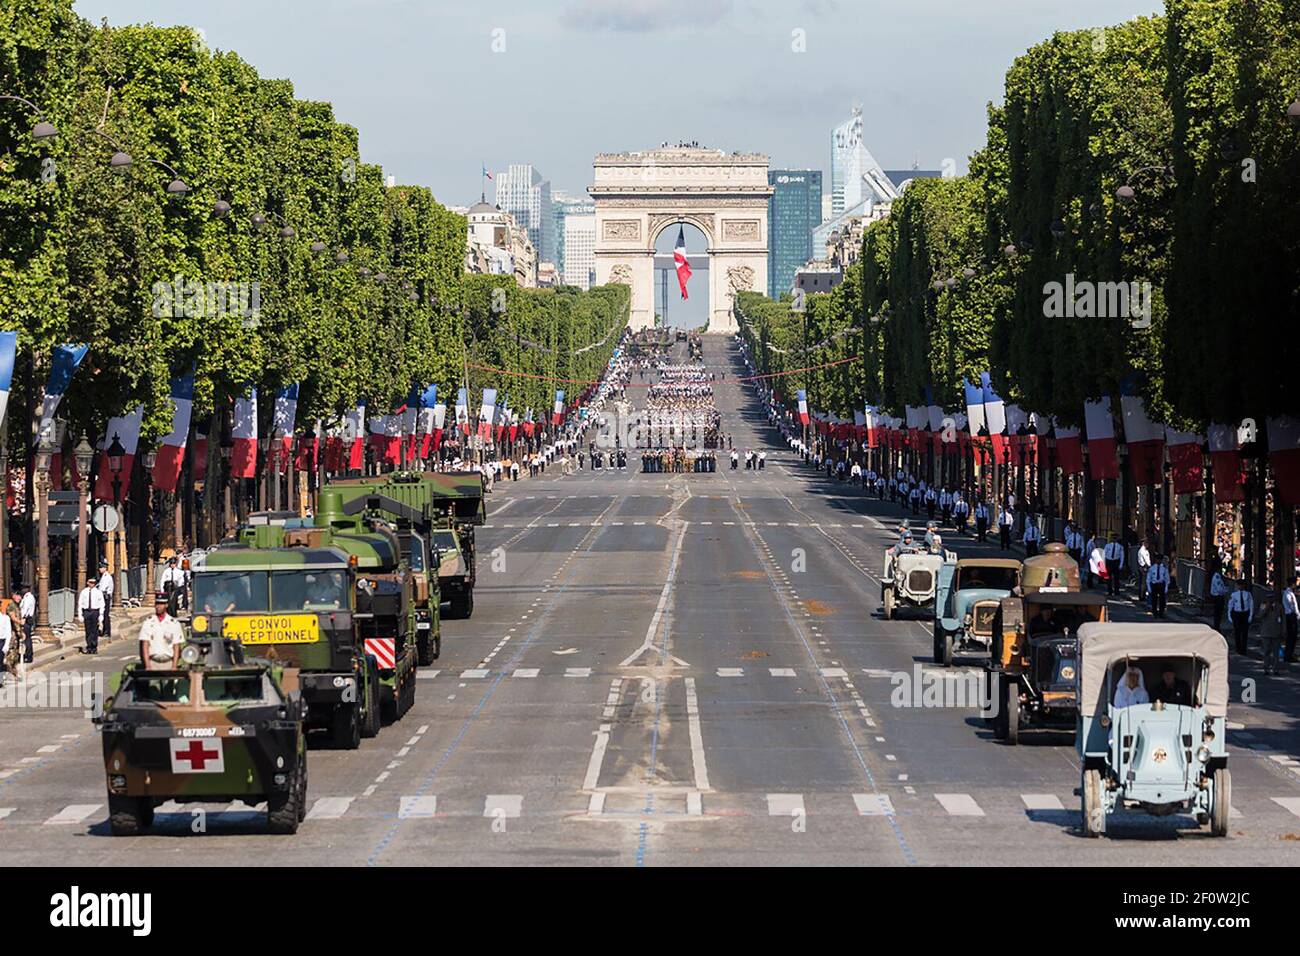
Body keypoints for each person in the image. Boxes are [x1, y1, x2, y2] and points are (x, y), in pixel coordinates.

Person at [139, 591, 185, 670]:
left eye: (161, 604)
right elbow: (145, 645)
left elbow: (176, 646)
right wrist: (147, 665)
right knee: (153, 682)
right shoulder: (148, 622)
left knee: (170, 682)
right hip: (153, 662)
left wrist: (174, 666)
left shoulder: (174, 623)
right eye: (157, 604)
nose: (158, 606)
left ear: (166, 605)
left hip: (168, 662)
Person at [77, 573, 106, 654]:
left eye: (93, 583)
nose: (92, 584)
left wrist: (101, 615)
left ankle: (94, 646)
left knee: (94, 630)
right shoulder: (84, 592)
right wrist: (80, 614)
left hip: (95, 611)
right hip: (87, 611)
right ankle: (89, 646)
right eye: (90, 582)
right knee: (88, 630)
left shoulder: (98, 592)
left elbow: (102, 604)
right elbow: (80, 603)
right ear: (87, 583)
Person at [1227, 579, 1254, 655]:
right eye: (1239, 585)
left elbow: (1251, 605)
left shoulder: (1248, 594)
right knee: (1237, 632)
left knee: (1244, 633)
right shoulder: (1234, 595)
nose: (1240, 586)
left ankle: (1244, 649)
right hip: (1237, 614)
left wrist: (1250, 615)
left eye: (1242, 585)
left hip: (1245, 614)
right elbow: (1230, 605)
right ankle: (1238, 649)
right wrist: (1229, 615)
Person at [1146, 555, 1170, 619]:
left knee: (1162, 600)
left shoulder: (1164, 568)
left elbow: (1167, 578)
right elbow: (1148, 578)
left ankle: (1161, 613)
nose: (1158, 561)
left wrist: (1166, 587)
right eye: (1157, 559)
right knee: (1154, 599)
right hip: (1154, 585)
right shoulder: (1152, 568)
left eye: (1160, 559)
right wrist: (1149, 587)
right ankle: (1155, 613)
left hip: (1161, 584)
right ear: (1155, 560)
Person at [1209, 564, 1231, 633]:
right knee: (1218, 613)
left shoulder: (1219, 577)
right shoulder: (1217, 577)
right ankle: (1217, 627)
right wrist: (1226, 589)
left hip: (1219, 596)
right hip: (1218, 597)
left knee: (1218, 613)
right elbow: (1220, 589)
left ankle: (1217, 626)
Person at [97, 560, 114, 641]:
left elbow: (102, 589)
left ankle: (107, 631)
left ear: (105, 568)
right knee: (104, 615)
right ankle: (105, 631)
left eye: (101, 567)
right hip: (104, 596)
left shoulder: (107, 577)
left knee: (105, 615)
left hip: (105, 597)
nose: (99, 569)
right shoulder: (104, 576)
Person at [18, 583, 35, 664]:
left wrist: (22, 618)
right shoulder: (28, 597)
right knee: (27, 637)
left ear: (26, 589)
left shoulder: (28, 598)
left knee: (26, 638)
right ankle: (28, 654)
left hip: (26, 619)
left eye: (23, 589)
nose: (22, 590)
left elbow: (24, 609)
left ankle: (29, 655)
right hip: (28, 618)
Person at [1283, 576, 1298, 664]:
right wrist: (1296, 613)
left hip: (1292, 616)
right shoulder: (1287, 593)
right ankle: (1288, 655)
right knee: (1291, 636)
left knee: (1293, 636)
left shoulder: (1291, 593)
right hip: (1290, 616)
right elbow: (1292, 605)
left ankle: (1290, 654)